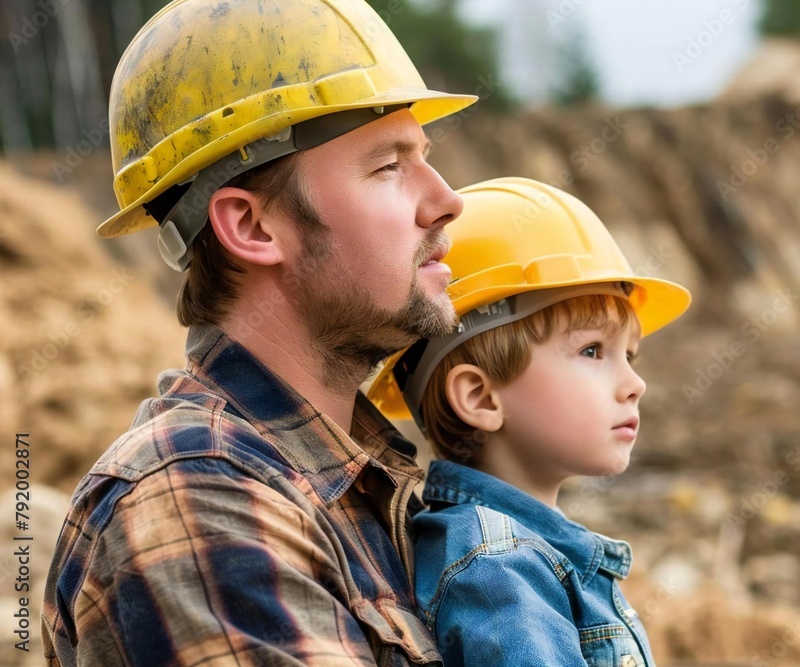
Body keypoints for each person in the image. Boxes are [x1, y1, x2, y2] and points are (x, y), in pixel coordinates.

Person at [41, 0, 478, 664]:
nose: (447, 199)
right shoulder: (196, 502)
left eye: (424, 155)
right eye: (389, 165)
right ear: (251, 227)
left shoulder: (354, 481)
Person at [367, 177, 692, 666]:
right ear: (480, 397)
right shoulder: (499, 567)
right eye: (592, 350)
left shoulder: (527, 552)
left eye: (630, 355)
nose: (634, 384)